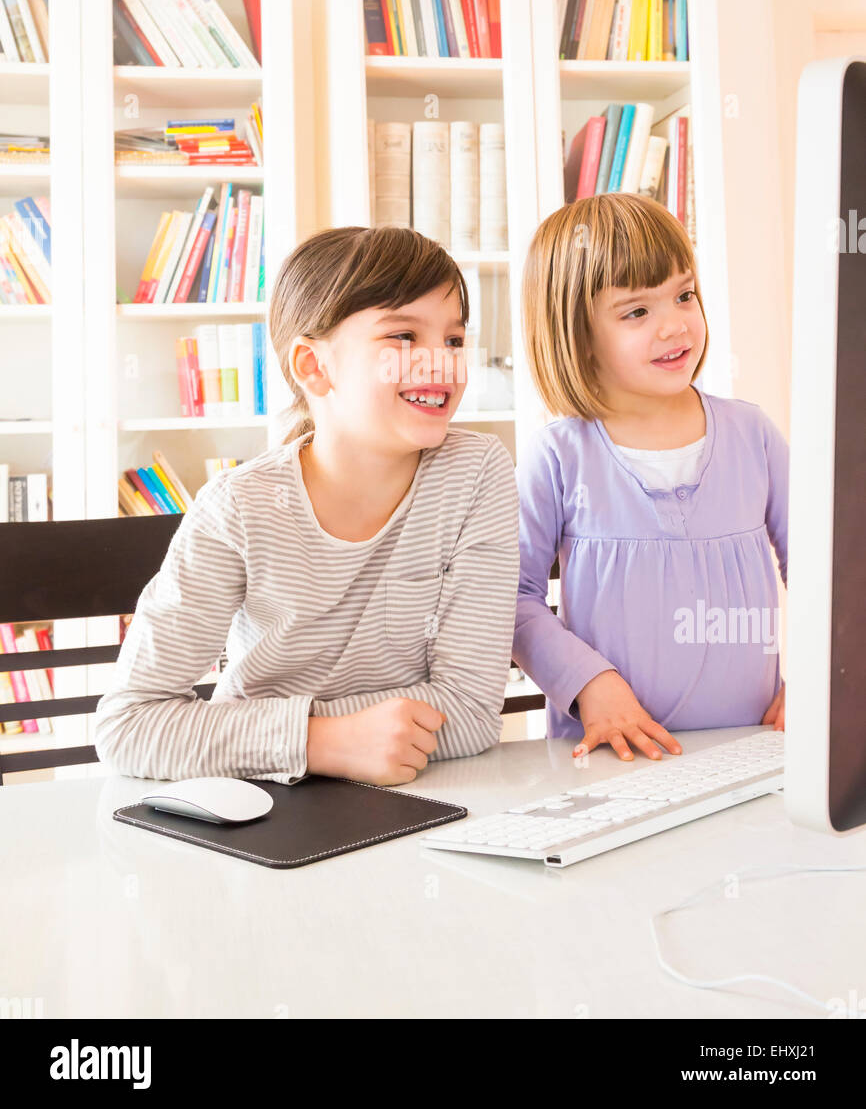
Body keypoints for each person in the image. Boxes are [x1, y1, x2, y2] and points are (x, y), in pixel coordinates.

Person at [95, 225, 519, 786]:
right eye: (404, 338)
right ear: (314, 367)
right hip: (263, 807)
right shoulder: (238, 509)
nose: (442, 364)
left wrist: (249, 730)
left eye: (455, 340)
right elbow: (129, 725)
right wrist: (323, 743)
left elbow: (470, 711)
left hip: (418, 797)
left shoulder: (478, 471)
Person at [513, 193, 788, 763]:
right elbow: (513, 600)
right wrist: (590, 684)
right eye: (637, 312)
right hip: (611, 759)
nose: (675, 325)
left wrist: (819, 682)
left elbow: (831, 572)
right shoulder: (558, 455)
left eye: (684, 295)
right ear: (577, 334)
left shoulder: (753, 434)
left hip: (756, 748)